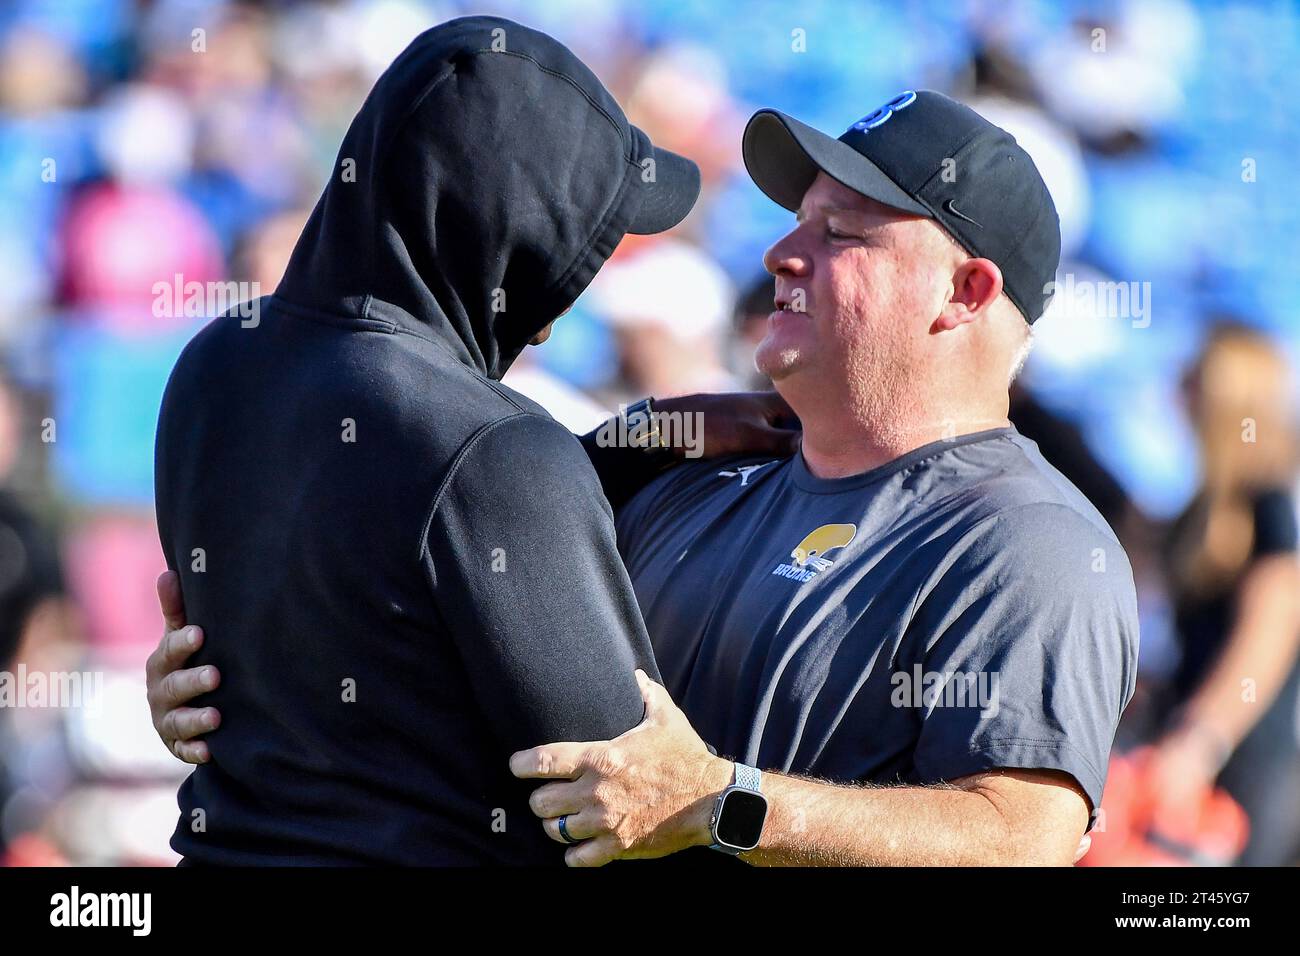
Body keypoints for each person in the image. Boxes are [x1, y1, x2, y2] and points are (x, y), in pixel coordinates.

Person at [153, 91, 1137, 866]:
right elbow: (446, 619)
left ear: (965, 293)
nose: (780, 252)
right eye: (799, 219)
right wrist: (248, 669)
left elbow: (1020, 836)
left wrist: (723, 801)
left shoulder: (1027, 542)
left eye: (842, 234)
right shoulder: (684, 470)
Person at [151, 16, 793, 866]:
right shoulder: (494, 451)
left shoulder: (214, 362)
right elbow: (631, 809)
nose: (557, 321)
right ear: (493, 235)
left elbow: (393, 517)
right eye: (556, 258)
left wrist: (629, 442)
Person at [1146, 323, 1300, 865]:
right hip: (1189, 752)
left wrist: (1199, 741)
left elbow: (1271, 631)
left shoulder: (1270, 503)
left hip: (1242, 764)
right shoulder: (1202, 511)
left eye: (1195, 380)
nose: (1178, 392)